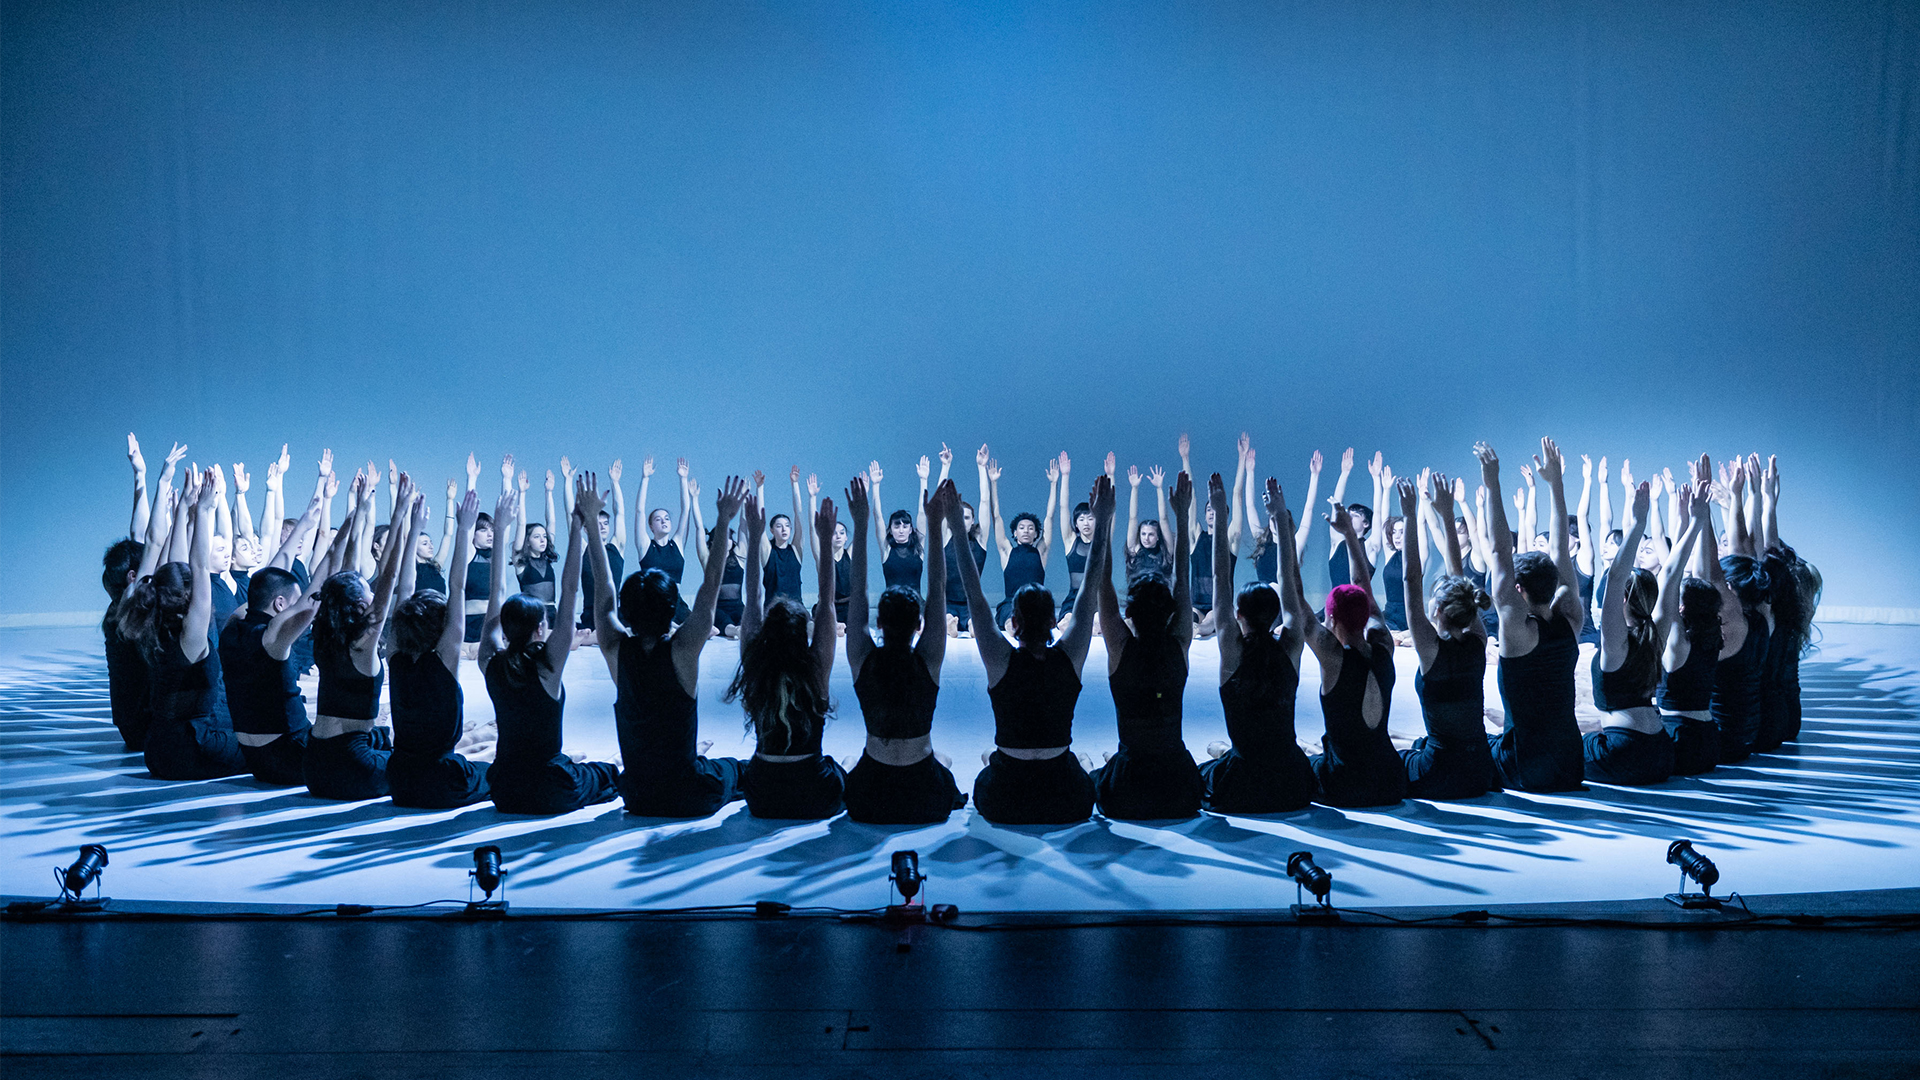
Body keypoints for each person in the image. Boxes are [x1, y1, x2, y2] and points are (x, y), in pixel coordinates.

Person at [588, 473, 749, 819]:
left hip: (638, 796)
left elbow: (603, 594)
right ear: (672, 606)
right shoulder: (682, 650)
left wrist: (589, 522)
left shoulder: (617, 650)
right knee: (736, 768)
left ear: (627, 613)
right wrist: (724, 519)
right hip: (687, 795)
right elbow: (710, 588)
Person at [962, 474, 1111, 825]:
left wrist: (954, 521)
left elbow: (973, 591)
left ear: (1015, 623)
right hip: (1066, 798)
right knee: (1084, 762)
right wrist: (1103, 520)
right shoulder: (1068, 657)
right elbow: (1091, 586)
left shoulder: (1001, 661)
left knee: (988, 758)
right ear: (1051, 621)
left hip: (1005, 799)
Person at [482, 479, 620, 815]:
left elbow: (496, 593)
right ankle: (613, 761)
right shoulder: (548, 664)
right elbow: (570, 589)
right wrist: (578, 524)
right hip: (550, 788)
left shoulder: (491, 661)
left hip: (505, 789)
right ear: (541, 627)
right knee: (607, 772)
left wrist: (500, 532)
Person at [841, 475, 968, 824]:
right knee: (945, 761)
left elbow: (857, 586)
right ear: (918, 626)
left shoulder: (862, 658)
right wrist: (937, 524)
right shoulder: (928, 660)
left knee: (850, 763)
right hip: (924, 793)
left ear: (878, 623)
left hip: (868, 795)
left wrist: (860, 521)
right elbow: (938, 588)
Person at [116, 467, 249, 780]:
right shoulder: (192, 634)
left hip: (157, 749)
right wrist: (202, 511)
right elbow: (199, 565)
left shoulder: (152, 624)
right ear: (190, 597)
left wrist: (182, 511)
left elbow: (175, 565)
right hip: (191, 748)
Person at [1084, 468, 1200, 820]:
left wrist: (1102, 520)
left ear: (1129, 611)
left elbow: (1101, 579)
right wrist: (1182, 514)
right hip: (1179, 785)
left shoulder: (1121, 647)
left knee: (1089, 766)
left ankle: (1096, 763)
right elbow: (1182, 580)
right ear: (1170, 611)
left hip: (1130, 788)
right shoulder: (1179, 642)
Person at [1202, 475, 1318, 813]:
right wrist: (1281, 517)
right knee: (1217, 750)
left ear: (1238, 614)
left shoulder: (1232, 651)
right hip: (1293, 782)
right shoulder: (1290, 644)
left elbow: (1221, 579)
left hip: (1243, 786)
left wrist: (1221, 513)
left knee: (1207, 763)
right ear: (1276, 613)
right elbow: (1288, 581)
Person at [1476, 440, 1587, 793]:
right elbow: (1560, 551)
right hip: (1571, 762)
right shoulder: (1571, 618)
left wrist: (1492, 482)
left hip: (1526, 766)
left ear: (1519, 589)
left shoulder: (1516, 628)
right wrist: (1556, 484)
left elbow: (1498, 549)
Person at [732, 486, 845, 819]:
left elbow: (752, 600)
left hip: (762, 793)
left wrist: (754, 537)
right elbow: (826, 602)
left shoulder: (756, 665)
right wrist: (825, 540)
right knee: (846, 768)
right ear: (802, 631)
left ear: (767, 633)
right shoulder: (815, 667)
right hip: (812, 790)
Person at [304, 474, 413, 800]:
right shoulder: (363, 645)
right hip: (351, 766)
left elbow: (344, 573)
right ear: (360, 605)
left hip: (313, 765)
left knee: (384, 737)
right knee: (421, 766)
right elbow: (390, 576)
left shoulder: (325, 636)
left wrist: (361, 509)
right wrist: (399, 518)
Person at [386, 489, 492, 809]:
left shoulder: (395, 657)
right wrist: (464, 529)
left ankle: (478, 748)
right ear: (443, 627)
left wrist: (413, 529)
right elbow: (457, 585)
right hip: (441, 780)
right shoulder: (445, 659)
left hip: (399, 780)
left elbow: (404, 590)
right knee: (498, 770)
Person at [1301, 496, 1406, 808]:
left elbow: (1299, 608)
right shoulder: (1384, 647)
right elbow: (1365, 588)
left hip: (1345, 785)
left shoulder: (1333, 660)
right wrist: (1349, 534)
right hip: (1390, 780)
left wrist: (1283, 529)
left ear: (1331, 619)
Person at [219, 490, 329, 786]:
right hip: (291, 757)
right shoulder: (273, 640)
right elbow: (311, 598)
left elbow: (269, 578)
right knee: (373, 739)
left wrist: (304, 525)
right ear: (281, 605)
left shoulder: (231, 628)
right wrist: (343, 538)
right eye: (290, 603)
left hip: (257, 761)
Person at [1397, 476, 1496, 800]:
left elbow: (1412, 577)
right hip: (1481, 769)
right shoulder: (1478, 641)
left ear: (1437, 609)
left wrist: (1411, 515)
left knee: (1400, 757)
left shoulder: (1430, 648)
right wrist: (1446, 512)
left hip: (1441, 772)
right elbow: (1458, 575)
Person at [1582, 481, 1678, 785]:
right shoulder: (1656, 633)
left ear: (1622, 599)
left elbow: (1615, 578)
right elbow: (1673, 574)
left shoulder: (1617, 641)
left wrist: (1637, 525)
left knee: (1551, 748)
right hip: (1662, 751)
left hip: (1624, 751)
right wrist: (1697, 521)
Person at [1658, 461, 1735, 777]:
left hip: (1681, 742)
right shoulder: (1713, 635)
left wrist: (1692, 522)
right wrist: (1695, 518)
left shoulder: (1678, 640)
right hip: (1708, 741)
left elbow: (1670, 577)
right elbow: (1693, 578)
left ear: (1682, 608)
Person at [1753, 457, 1820, 752]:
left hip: (1763, 723)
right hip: (1790, 717)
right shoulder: (1794, 608)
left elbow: (1762, 553)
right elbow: (1769, 554)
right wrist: (1767, 501)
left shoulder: (1764, 610)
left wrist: (1758, 498)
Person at [1711, 458, 1772, 764]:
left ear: (1730, 589)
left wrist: (1698, 516)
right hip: (1749, 734)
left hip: (1724, 742)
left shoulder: (1732, 626)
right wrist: (1740, 497)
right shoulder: (1763, 614)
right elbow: (1749, 554)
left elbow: (1734, 558)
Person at [987, 447, 1057, 632]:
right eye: (1022, 528)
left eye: (1031, 528)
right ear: (1015, 533)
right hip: (1011, 603)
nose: (1026, 531)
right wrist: (993, 483)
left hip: (1037, 603)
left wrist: (1053, 484)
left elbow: (1049, 517)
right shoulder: (1007, 551)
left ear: (1036, 534)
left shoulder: (1040, 551)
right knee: (1012, 622)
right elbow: (996, 517)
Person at [1179, 435, 1240, 636]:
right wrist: (1185, 459)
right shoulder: (1198, 538)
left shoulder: (1230, 541)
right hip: (1196, 603)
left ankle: (1201, 629)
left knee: (1211, 620)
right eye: (1208, 509)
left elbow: (1237, 495)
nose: (1212, 511)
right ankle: (1196, 626)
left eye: (1216, 508)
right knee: (1189, 616)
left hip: (1220, 605)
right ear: (1205, 515)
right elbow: (1191, 499)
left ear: (1225, 514)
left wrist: (1242, 461)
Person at [571, 457, 627, 643]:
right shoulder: (584, 549)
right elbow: (570, 517)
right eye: (597, 523)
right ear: (587, 528)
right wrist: (568, 484)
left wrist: (615, 483)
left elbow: (620, 513)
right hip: (590, 619)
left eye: (605, 523)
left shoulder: (617, 546)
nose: (602, 527)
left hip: (614, 616)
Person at [637, 458, 695, 624]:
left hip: (675, 603)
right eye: (658, 519)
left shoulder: (677, 543)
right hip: (650, 603)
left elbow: (686, 510)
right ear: (651, 526)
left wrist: (683, 479)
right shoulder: (645, 545)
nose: (663, 521)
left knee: (709, 630)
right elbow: (640, 511)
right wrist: (645, 478)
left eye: (667, 518)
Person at [867, 458, 928, 594]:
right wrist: (875, 485)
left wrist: (924, 480)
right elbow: (878, 516)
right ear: (891, 530)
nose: (901, 530)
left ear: (911, 529)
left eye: (905, 526)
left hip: (916, 606)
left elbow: (922, 512)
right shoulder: (887, 549)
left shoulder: (918, 547)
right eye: (897, 526)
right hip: (891, 607)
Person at [755, 466, 809, 610]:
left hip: (797, 609)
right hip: (774, 610)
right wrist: (760, 488)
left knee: (812, 626)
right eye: (779, 526)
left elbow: (799, 516)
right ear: (772, 530)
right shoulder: (768, 552)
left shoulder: (796, 550)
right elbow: (760, 520)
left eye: (787, 525)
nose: (784, 529)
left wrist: (795, 484)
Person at [1055, 454, 1095, 625]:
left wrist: (1111, 477)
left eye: (1090, 518)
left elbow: (1110, 512)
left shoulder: (1102, 541)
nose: (1086, 523)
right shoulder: (1071, 540)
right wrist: (1065, 476)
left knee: (1097, 624)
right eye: (1081, 519)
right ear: (1076, 524)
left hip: (1098, 596)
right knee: (1065, 624)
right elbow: (1063, 507)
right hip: (1074, 595)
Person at [1124, 463, 1173, 584]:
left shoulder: (1166, 553)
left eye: (1151, 534)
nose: (1146, 538)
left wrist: (1159, 489)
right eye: (1143, 534)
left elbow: (1163, 519)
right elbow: (1132, 518)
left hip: (1161, 601)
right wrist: (1134, 488)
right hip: (1138, 601)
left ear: (1157, 537)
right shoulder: (1135, 551)